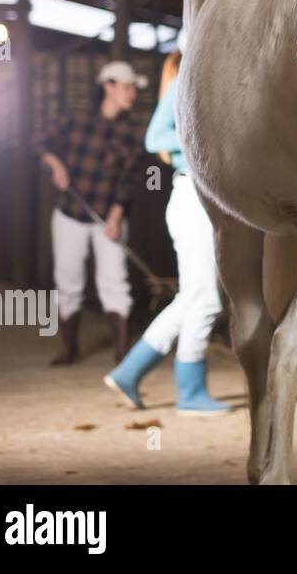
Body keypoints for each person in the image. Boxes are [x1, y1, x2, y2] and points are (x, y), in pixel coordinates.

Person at [104, 32, 230, 416]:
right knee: (206, 299)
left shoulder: (200, 85)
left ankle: (130, 371)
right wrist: (199, 150)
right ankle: (190, 391)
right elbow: (155, 137)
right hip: (192, 196)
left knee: (190, 296)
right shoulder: (182, 84)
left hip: (195, 198)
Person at [36, 60, 148, 365]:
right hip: (70, 214)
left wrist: (114, 217)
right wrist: (55, 164)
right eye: (126, 88)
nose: (132, 94)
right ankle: (69, 348)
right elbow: (41, 142)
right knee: (68, 280)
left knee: (114, 282)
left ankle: (122, 355)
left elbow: (128, 180)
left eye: (133, 89)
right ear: (108, 87)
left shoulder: (131, 133)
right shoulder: (76, 118)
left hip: (107, 219)